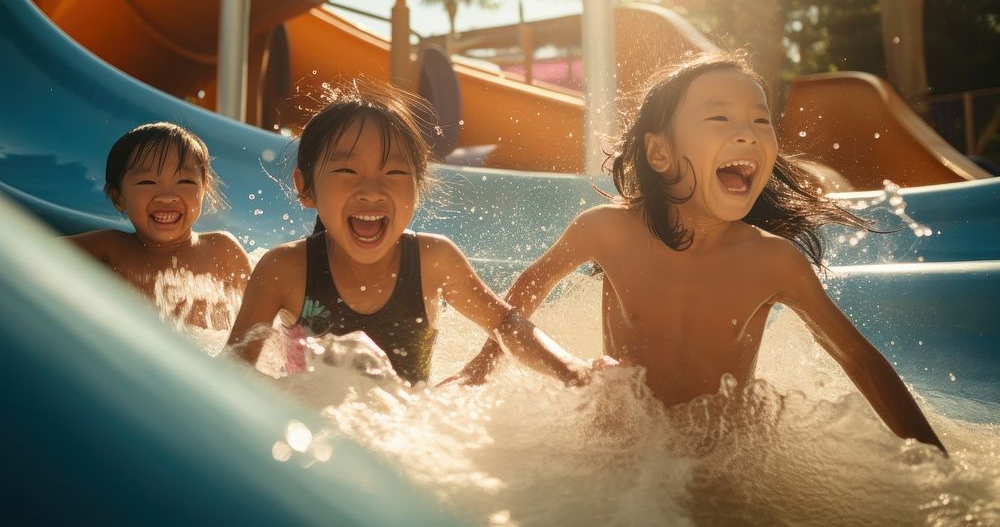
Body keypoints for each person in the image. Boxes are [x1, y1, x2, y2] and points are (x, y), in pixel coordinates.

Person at [451, 54, 946, 454]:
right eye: (719, 117)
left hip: (721, 451)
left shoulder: (773, 262)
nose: (748, 132)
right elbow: (528, 289)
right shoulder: (608, 231)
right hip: (624, 440)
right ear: (659, 153)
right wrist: (482, 366)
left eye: (761, 120)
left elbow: (859, 359)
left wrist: (935, 463)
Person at [226, 82, 611, 386]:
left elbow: (507, 324)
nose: (373, 190)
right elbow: (232, 370)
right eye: (347, 172)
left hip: (408, 435)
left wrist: (571, 370)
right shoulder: (285, 269)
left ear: (417, 186)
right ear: (305, 187)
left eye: (394, 173)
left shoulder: (432, 260)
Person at [70, 122, 251, 330]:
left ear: (203, 190)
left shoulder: (222, 250)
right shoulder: (110, 248)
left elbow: (260, 327)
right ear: (118, 197)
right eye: (147, 182)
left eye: (185, 182)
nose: (167, 197)